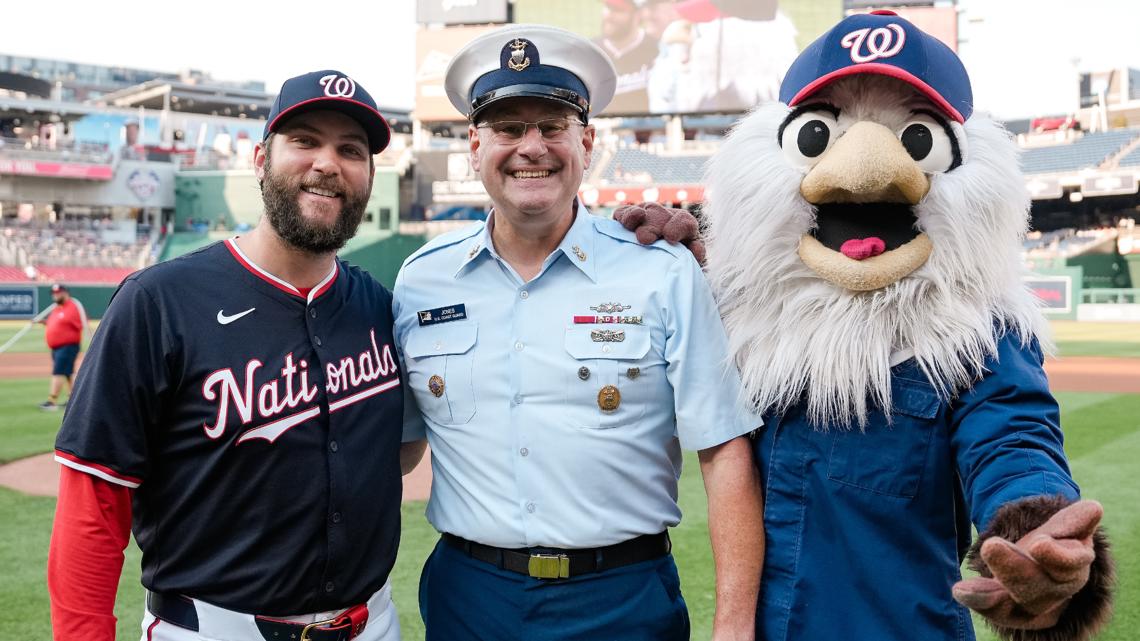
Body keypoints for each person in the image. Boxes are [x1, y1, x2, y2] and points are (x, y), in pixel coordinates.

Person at [395, 24, 764, 641]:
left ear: (587, 142)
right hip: (470, 598)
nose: (531, 147)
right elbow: (398, 448)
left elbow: (724, 451)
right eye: (509, 128)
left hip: (621, 599)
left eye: (553, 127)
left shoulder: (661, 268)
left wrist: (732, 624)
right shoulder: (422, 280)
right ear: (474, 144)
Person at [49, 70, 409, 641]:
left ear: (368, 174)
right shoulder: (158, 301)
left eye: (351, 149)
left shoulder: (379, 307)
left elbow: (400, 453)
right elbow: (93, 501)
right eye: (305, 141)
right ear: (261, 158)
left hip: (371, 623)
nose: (327, 163)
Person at [38, 283, 86, 411]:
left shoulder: (72, 307)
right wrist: (45, 322)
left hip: (68, 346)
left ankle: (52, 401)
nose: (55, 295)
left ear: (65, 293)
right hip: (57, 347)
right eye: (54, 293)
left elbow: (81, 323)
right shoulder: (57, 308)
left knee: (58, 371)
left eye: (58, 292)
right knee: (67, 373)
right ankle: (74, 399)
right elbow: (57, 322)